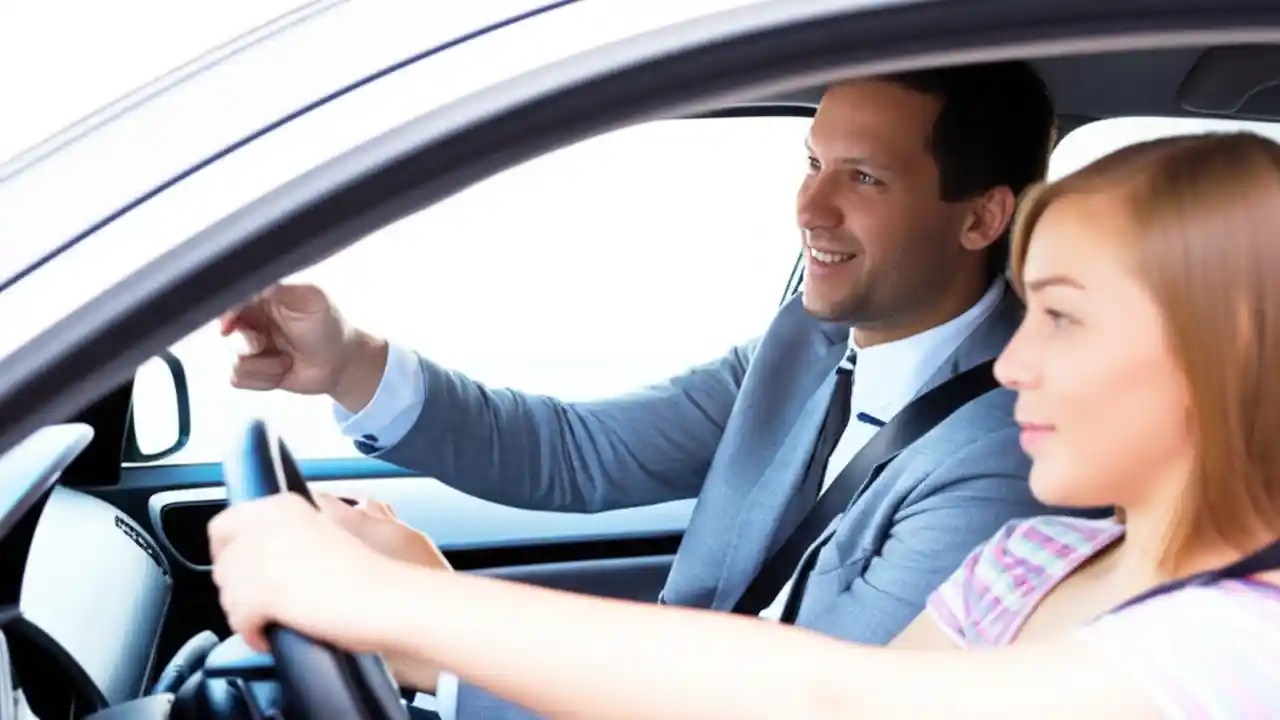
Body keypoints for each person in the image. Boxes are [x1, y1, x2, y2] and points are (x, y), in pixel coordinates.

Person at [212, 132, 1280, 718]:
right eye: (808, 163)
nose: (1015, 360)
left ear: (1223, 345)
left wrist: (403, 608)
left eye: (1060, 316)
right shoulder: (1029, 557)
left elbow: (830, 702)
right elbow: (580, 451)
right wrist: (346, 366)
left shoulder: (1240, 646)